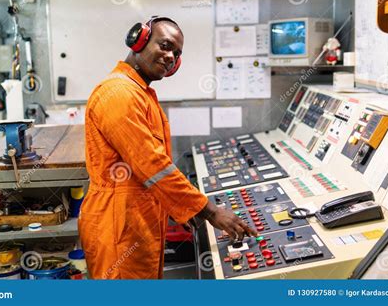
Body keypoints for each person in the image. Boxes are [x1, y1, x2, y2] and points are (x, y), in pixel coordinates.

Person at [79, 16, 257, 279]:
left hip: (136, 218)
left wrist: (180, 208)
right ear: (138, 41)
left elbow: (152, 168)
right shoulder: (119, 94)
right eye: (165, 45)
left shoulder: (141, 93)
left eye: (177, 53)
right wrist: (209, 210)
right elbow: (152, 165)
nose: (171, 56)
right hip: (118, 225)